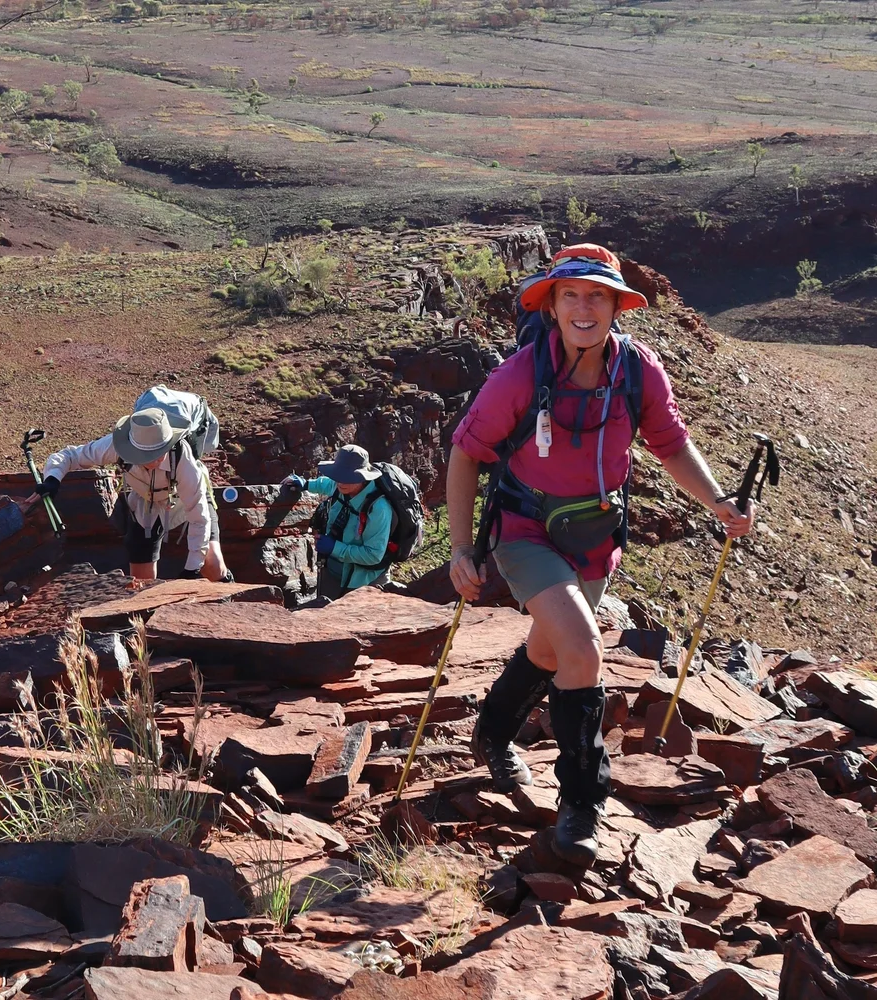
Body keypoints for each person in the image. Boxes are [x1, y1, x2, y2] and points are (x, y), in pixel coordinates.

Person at [447, 244, 755, 867]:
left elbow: (670, 445)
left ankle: (493, 729)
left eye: (597, 296)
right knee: (584, 647)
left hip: (594, 534)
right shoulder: (519, 375)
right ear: (552, 305)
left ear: (617, 306)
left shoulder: (638, 371)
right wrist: (459, 548)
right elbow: (465, 452)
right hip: (525, 528)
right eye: (571, 296)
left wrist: (718, 501)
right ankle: (583, 800)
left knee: (551, 647)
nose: (584, 307)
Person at [37, 404, 230, 583]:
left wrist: (192, 569)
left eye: (159, 452)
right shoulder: (117, 446)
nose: (153, 460)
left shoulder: (183, 460)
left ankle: (231, 600)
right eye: (146, 455)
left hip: (185, 499)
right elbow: (70, 455)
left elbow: (198, 517)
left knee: (212, 564)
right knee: (140, 580)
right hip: (145, 504)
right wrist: (52, 479)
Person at [284, 444, 393, 601]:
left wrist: (335, 548)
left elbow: (373, 555)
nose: (341, 482)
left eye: (348, 477)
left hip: (364, 580)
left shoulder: (378, 509)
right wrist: (306, 484)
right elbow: (327, 484)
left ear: (363, 478)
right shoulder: (343, 486)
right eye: (339, 476)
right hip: (336, 571)